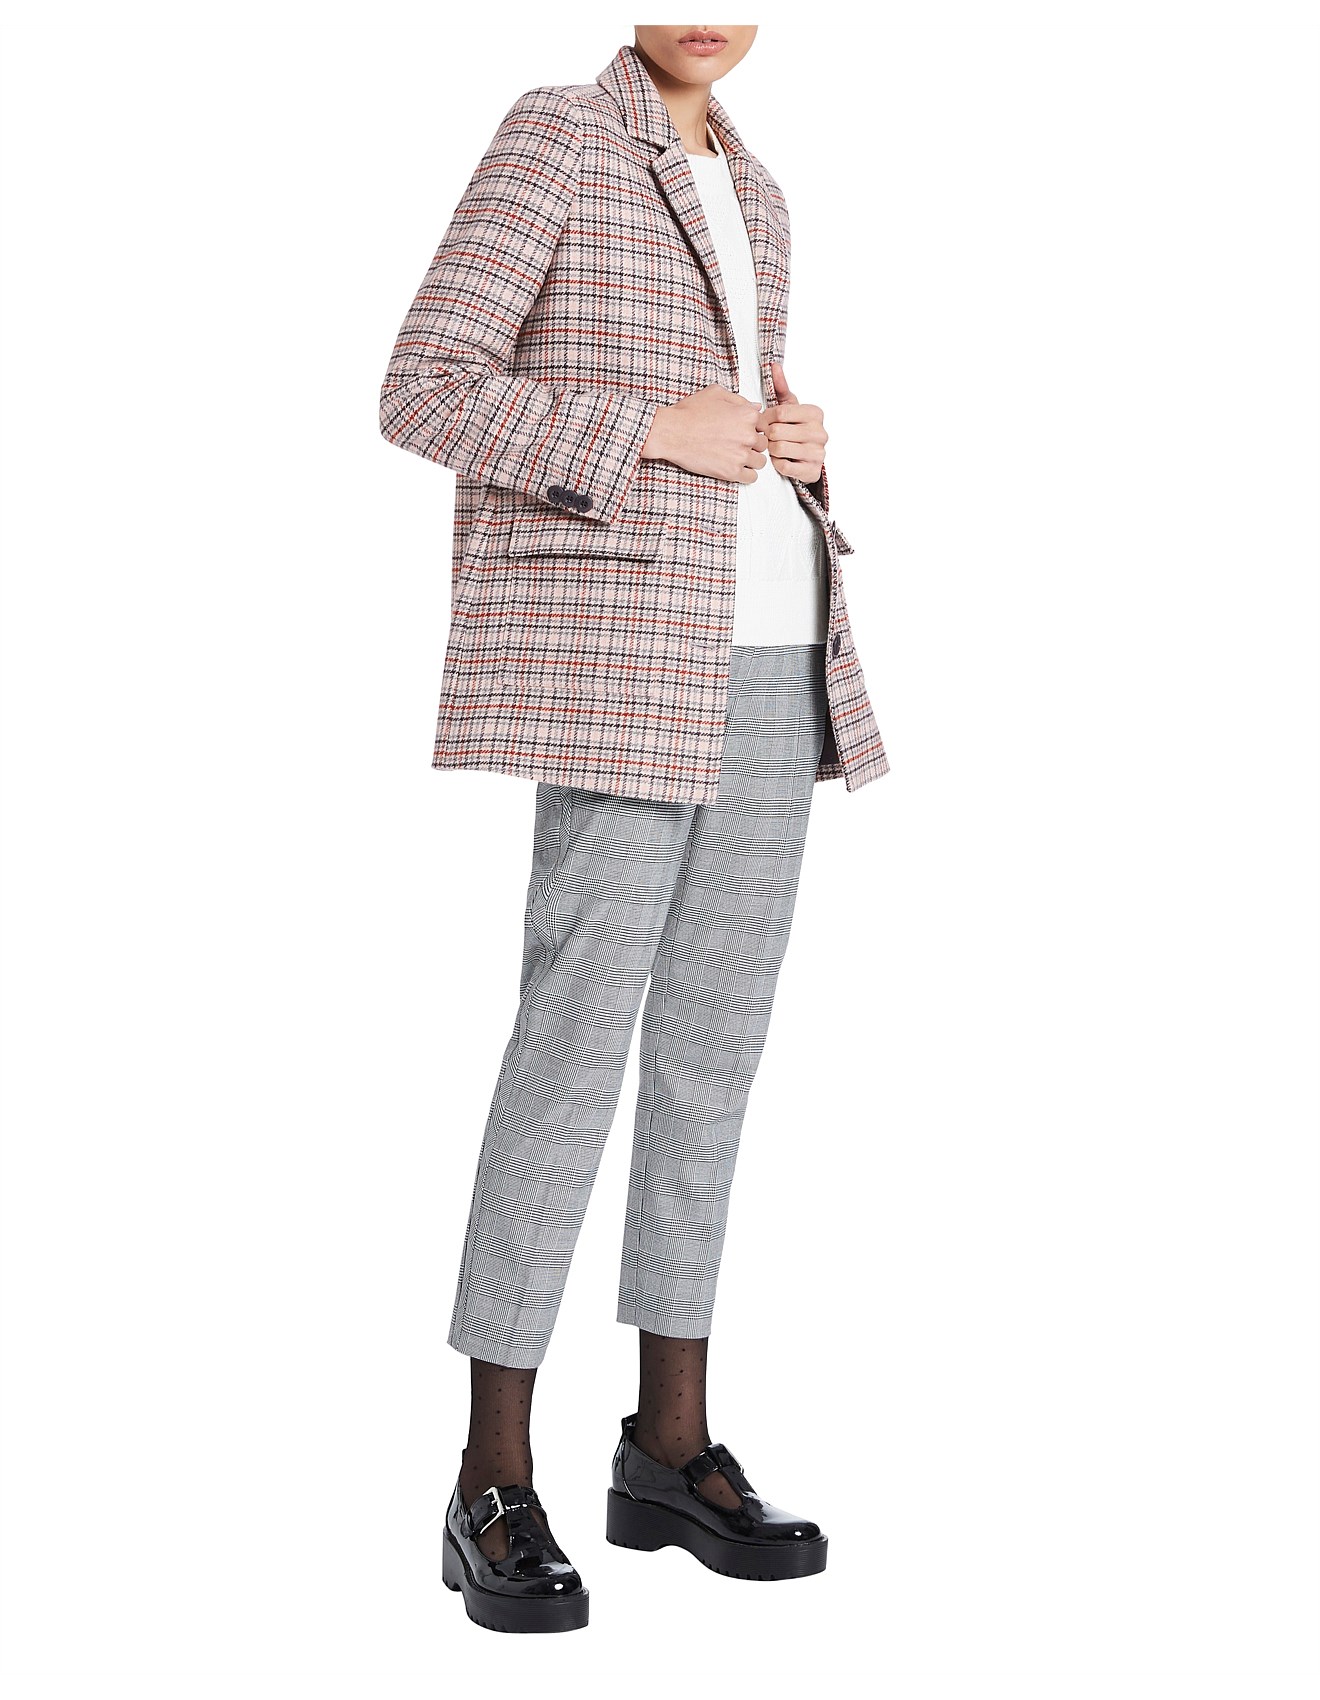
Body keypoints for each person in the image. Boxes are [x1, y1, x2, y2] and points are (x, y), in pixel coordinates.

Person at [379, 27, 890, 1633]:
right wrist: (646, 432)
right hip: (624, 669)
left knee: (709, 1062)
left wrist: (797, 452)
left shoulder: (763, 188)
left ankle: (669, 1446)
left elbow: (736, 420)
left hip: (777, 657)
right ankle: (490, 1476)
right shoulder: (557, 134)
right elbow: (425, 389)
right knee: (574, 1051)